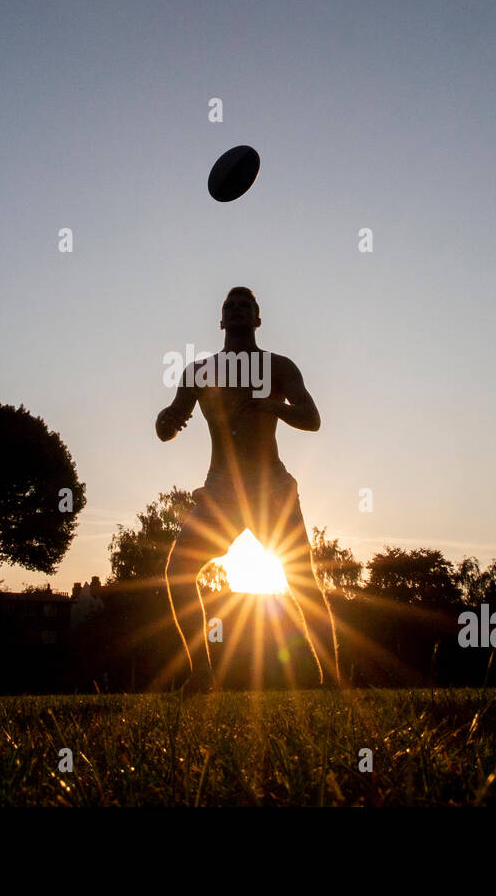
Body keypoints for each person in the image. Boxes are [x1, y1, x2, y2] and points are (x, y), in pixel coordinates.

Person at [155, 286, 341, 694]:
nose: (237, 310)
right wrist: (165, 422)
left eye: (246, 306)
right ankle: (202, 674)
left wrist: (273, 405)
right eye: (230, 306)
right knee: (179, 572)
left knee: (303, 580)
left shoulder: (278, 367)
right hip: (220, 490)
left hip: (270, 486)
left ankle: (332, 681)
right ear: (221, 320)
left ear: (258, 319)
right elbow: (169, 423)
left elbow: (312, 419)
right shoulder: (200, 371)